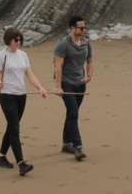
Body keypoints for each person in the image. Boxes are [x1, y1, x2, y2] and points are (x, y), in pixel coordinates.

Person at [0, 27, 47, 176]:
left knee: (11, 127)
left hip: (21, 95)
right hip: (7, 95)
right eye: (15, 40)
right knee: (15, 128)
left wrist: (40, 87)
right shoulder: (1, 56)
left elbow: (30, 74)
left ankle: (1, 156)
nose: (18, 42)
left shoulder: (23, 55)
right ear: (8, 40)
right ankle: (21, 163)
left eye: (20, 39)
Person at [54, 15, 94, 161]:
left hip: (80, 83)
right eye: (81, 27)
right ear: (72, 28)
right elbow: (58, 66)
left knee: (72, 114)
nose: (84, 30)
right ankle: (77, 147)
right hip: (67, 83)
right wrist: (58, 86)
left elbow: (90, 61)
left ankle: (66, 144)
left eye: (85, 27)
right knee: (73, 113)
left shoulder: (86, 43)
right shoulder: (63, 44)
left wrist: (89, 75)